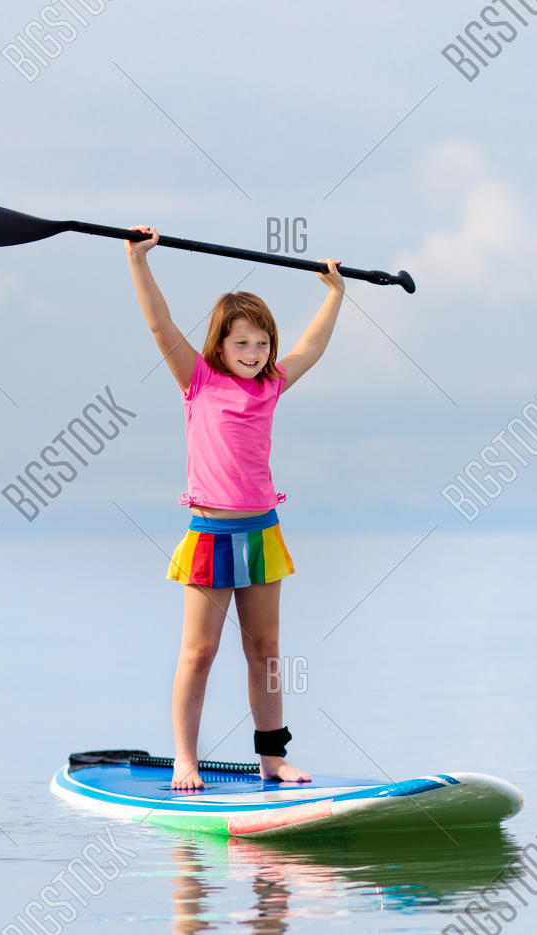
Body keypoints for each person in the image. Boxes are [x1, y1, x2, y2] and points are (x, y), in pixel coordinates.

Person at [126, 227, 344, 789]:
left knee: (266, 651)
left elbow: (313, 348)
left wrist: (334, 294)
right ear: (219, 345)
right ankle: (185, 759)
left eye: (262, 343)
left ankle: (272, 757)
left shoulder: (271, 384)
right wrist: (138, 260)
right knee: (199, 652)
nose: (253, 354)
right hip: (210, 535)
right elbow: (158, 324)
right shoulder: (196, 381)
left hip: (261, 534)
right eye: (241, 343)